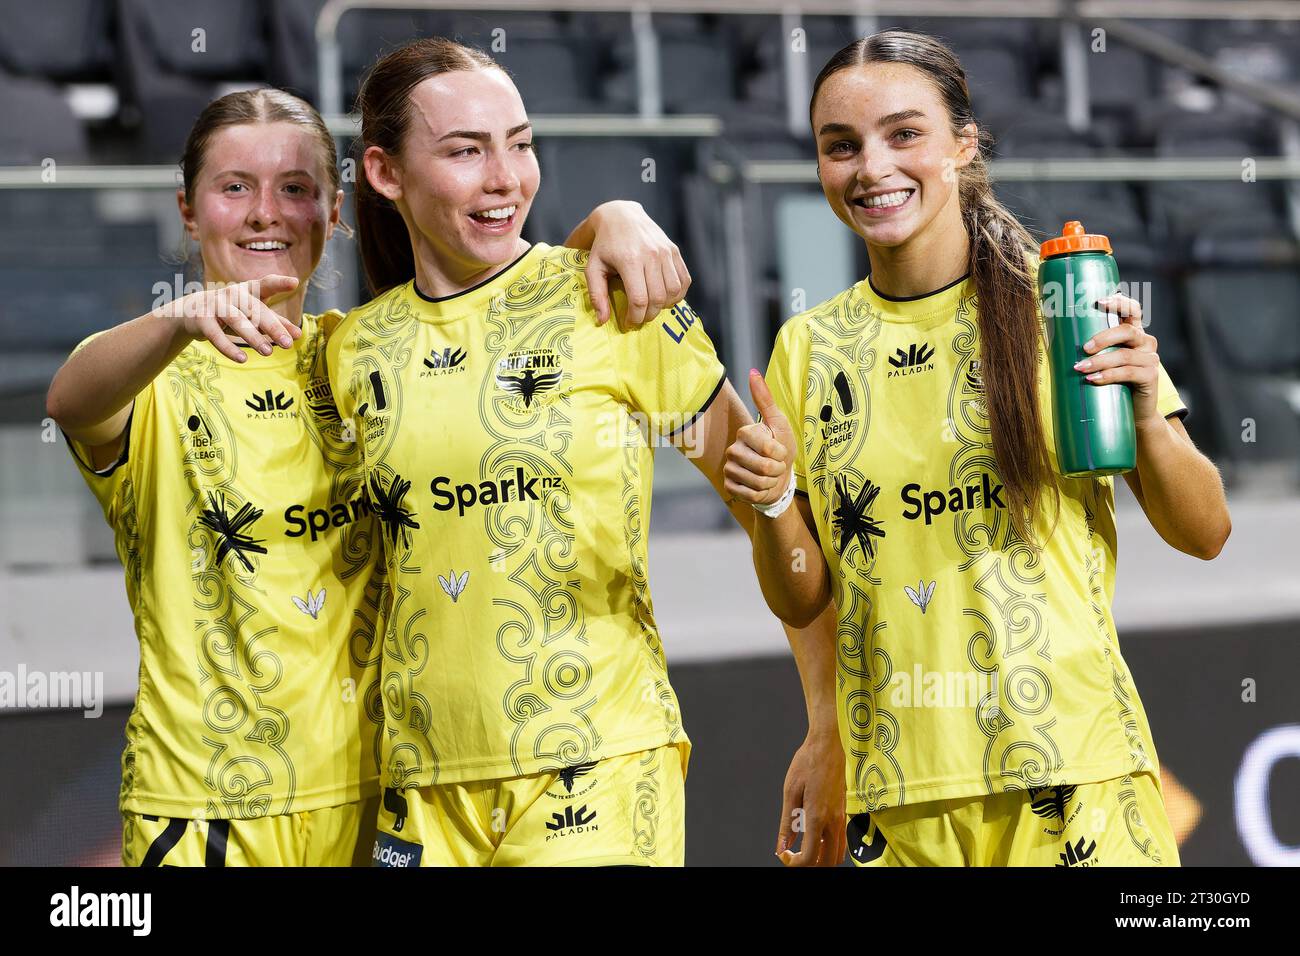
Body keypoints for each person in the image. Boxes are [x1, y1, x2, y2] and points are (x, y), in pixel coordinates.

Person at [45, 86, 705, 866]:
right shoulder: (147, 377)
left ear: (334, 213)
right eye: (234, 188)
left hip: (384, 795)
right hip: (208, 803)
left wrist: (612, 217)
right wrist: (179, 318)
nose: (266, 212)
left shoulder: (362, 354)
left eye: (295, 189)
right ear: (188, 210)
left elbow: (513, 310)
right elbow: (70, 398)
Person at [331, 36, 840, 867]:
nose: (505, 178)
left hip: (600, 764)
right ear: (386, 174)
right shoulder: (351, 353)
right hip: (420, 791)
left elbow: (771, 512)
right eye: (466, 151)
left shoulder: (614, 304)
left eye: (520, 145)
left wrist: (826, 727)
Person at [725, 31, 1231, 867]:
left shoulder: (1064, 301)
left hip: (1077, 778)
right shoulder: (807, 348)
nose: (871, 168)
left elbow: (1205, 531)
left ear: (964, 144)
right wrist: (774, 501)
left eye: (903, 134)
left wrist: (1145, 414)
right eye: (839, 146)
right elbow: (804, 595)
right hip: (898, 797)